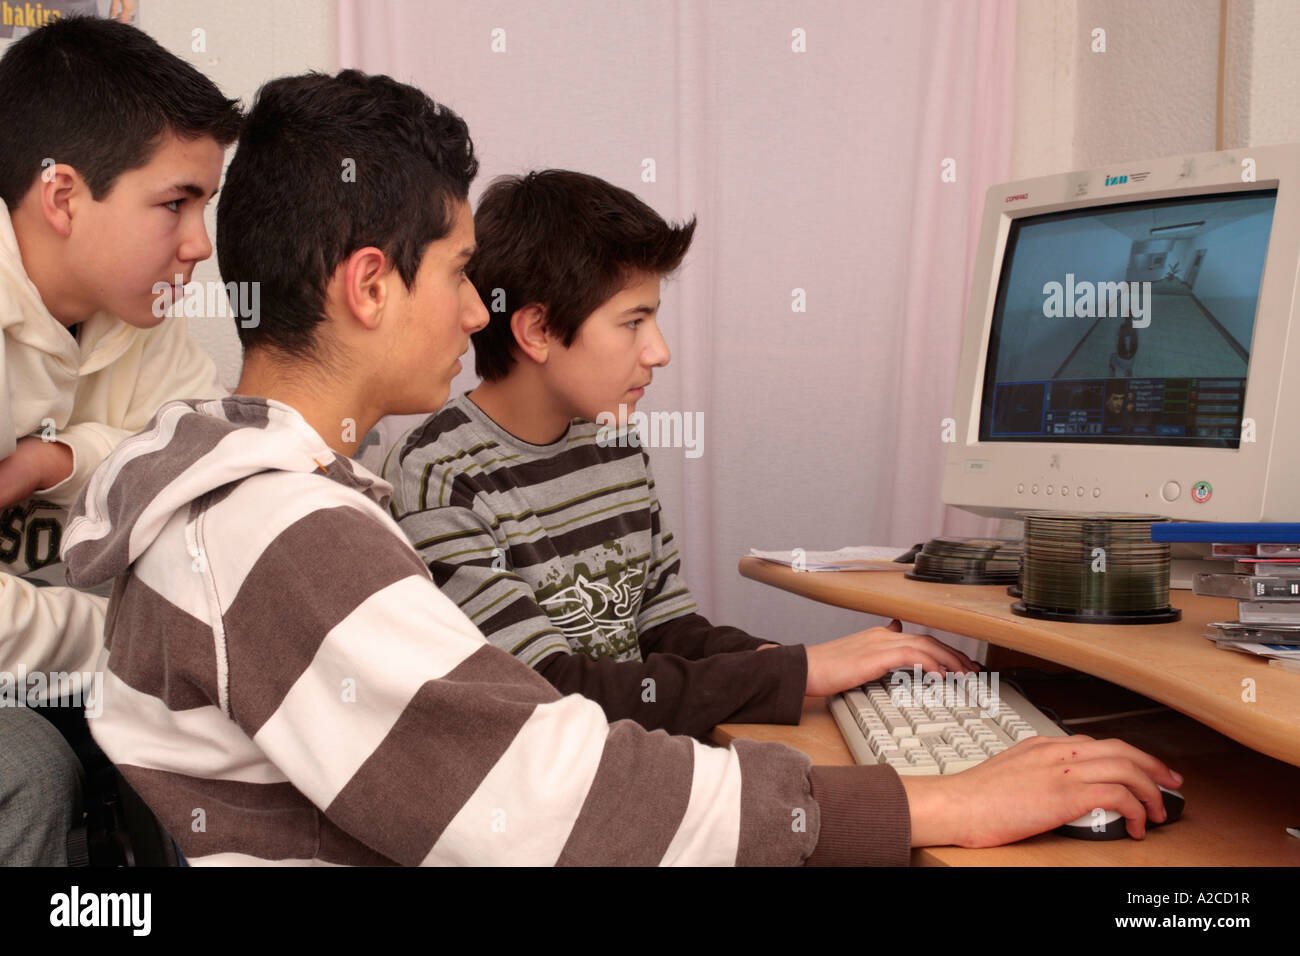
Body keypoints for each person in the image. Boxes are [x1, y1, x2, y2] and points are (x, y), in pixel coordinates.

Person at [64, 69, 1182, 867]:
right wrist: (929, 800)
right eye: (457, 272)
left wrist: (828, 693)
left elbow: (536, 731)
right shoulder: (286, 532)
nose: (472, 309)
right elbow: (542, 787)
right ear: (368, 286)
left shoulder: (280, 499)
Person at [383, 169, 977, 738]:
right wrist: (800, 672)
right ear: (537, 331)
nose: (659, 352)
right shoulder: (438, 475)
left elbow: (666, 627)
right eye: (633, 322)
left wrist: (808, 664)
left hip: (637, 755)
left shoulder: (611, 441)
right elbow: (545, 690)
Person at [0, 16, 241, 864]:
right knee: (30, 769)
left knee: (216, 724)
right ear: (62, 196)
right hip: (46, 664)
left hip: (70, 653)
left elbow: (212, 457)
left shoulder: (141, 316)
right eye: (175, 202)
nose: (199, 245)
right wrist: (139, 642)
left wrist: (60, 460)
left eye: (203, 205)